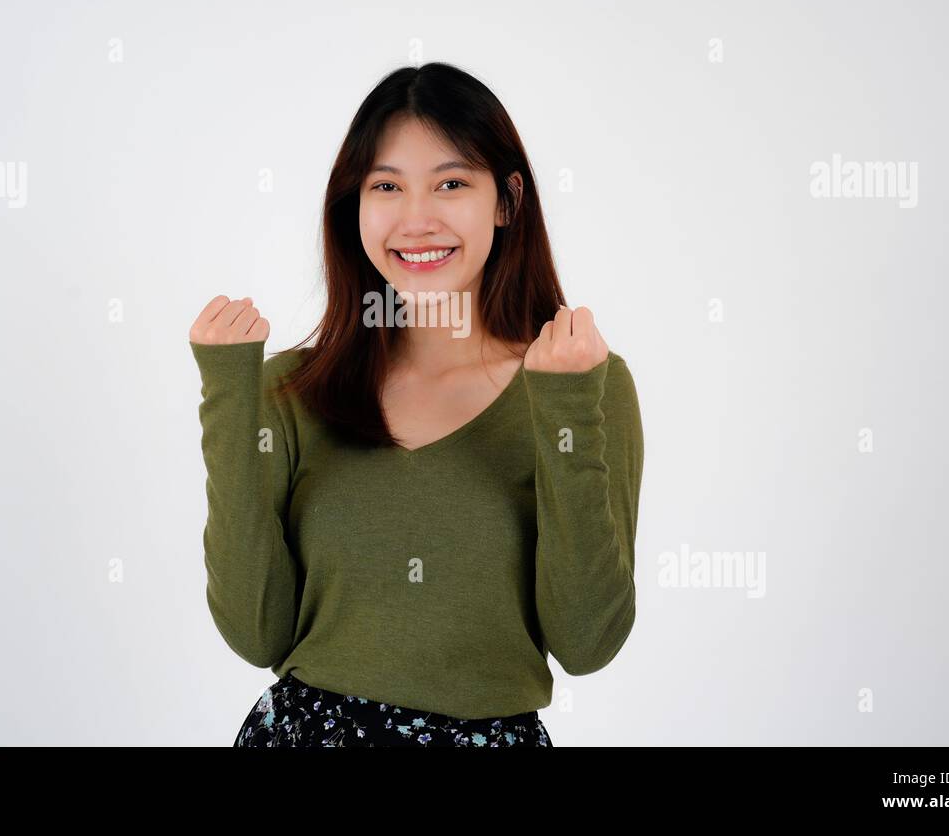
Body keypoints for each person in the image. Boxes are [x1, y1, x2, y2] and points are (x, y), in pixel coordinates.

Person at [188, 62, 644, 747]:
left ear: (507, 200)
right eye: (386, 186)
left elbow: (587, 640)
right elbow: (257, 633)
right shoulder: (291, 391)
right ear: (355, 208)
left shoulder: (583, 385)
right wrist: (229, 391)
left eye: (452, 183)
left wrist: (568, 407)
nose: (417, 219)